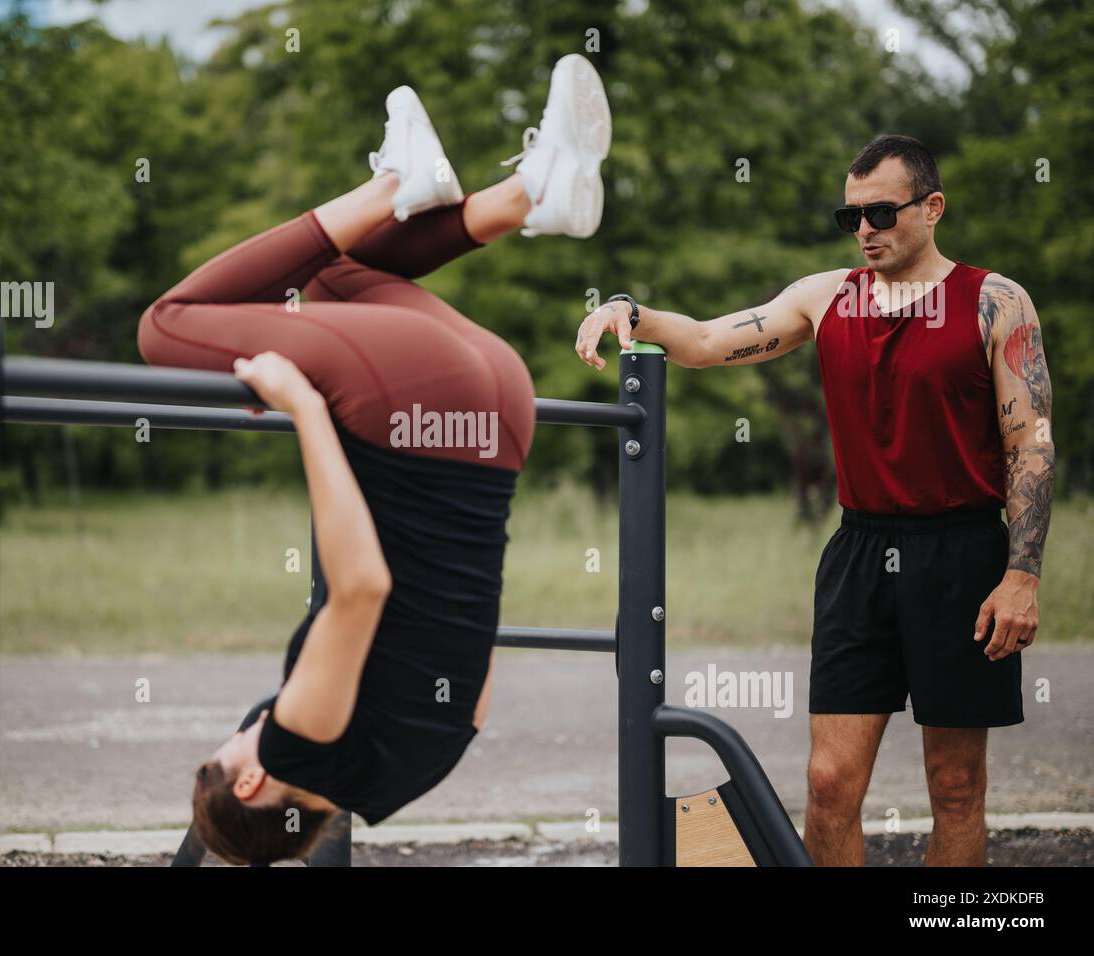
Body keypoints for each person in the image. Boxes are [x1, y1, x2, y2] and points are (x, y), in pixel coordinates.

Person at [138, 54, 613, 865]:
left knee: (328, 275)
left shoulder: (399, 783)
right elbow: (361, 588)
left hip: (496, 411)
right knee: (167, 324)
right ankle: (400, 183)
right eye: (229, 745)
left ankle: (529, 195)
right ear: (247, 782)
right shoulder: (296, 752)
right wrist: (306, 410)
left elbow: (476, 642)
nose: (245, 728)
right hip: (411, 405)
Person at [573, 134, 1054, 866]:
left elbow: (1031, 446)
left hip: (962, 556)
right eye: (851, 216)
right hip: (859, 556)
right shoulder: (826, 297)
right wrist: (628, 312)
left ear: (933, 208)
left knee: (955, 787)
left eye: (883, 212)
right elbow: (703, 340)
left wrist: (1022, 575)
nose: (866, 229)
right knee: (829, 783)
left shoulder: (996, 302)